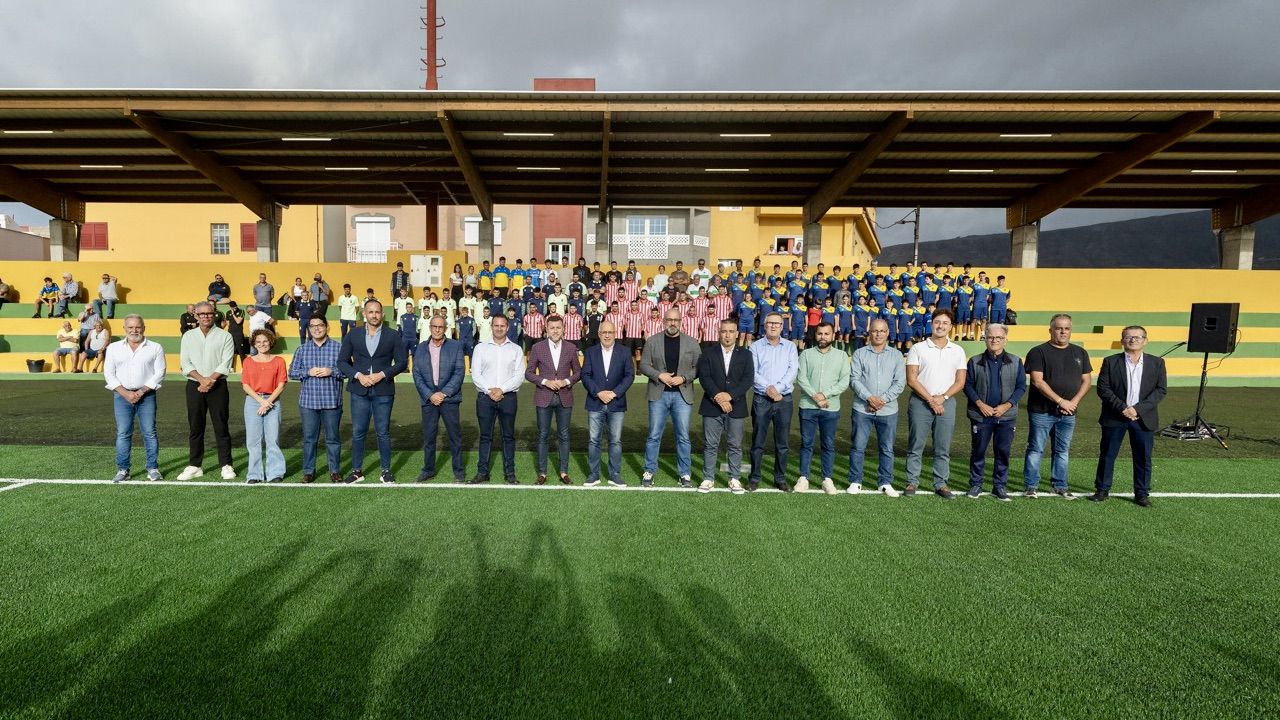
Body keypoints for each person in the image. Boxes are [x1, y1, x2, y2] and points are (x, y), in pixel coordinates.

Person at [1090, 326, 1167, 507]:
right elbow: (1103, 388)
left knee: (1143, 457)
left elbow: (1160, 390)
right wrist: (1123, 408)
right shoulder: (1110, 361)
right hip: (1115, 417)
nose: (1133, 340)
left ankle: (1141, 493)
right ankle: (1102, 489)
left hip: (1143, 419)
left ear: (1145, 341)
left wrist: (1137, 410)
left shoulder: (1157, 363)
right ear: (1122, 340)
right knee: (1108, 455)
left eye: (1137, 337)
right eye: (1128, 337)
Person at [1022, 314, 1093, 499]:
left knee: (1062, 450)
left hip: (1068, 413)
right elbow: (1038, 381)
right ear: (1050, 330)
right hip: (1041, 411)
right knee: (1036, 449)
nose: (1063, 332)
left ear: (1071, 330)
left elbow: (1086, 380)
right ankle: (1031, 486)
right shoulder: (1038, 352)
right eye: (1058, 328)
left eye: (1067, 328)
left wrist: (1073, 403)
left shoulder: (1080, 352)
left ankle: (1060, 485)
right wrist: (1061, 401)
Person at [337, 300, 408, 484]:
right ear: (364, 314)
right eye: (371, 312)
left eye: (377, 312)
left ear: (382, 315)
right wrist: (358, 375)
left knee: (383, 432)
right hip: (359, 390)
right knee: (358, 431)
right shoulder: (353, 334)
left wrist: (382, 374)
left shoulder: (393, 335)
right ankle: (357, 471)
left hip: (383, 391)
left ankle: (385, 470)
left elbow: (402, 363)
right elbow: (342, 362)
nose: (374, 315)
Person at [903, 309, 967, 499]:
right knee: (916, 444)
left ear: (951, 326)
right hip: (921, 403)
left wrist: (943, 398)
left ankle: (941, 483)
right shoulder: (918, 348)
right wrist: (931, 400)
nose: (940, 326)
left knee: (942, 446)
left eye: (945, 323)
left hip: (946, 403)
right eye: (937, 322)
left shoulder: (957, 350)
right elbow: (912, 379)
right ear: (932, 324)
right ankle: (912, 481)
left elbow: (960, 381)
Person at [639, 307, 702, 488]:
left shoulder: (692, 342)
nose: (672, 323)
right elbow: (643, 365)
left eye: (676, 320)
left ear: (681, 322)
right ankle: (649, 471)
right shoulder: (652, 341)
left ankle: (685, 474)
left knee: (682, 436)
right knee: (653, 435)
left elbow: (698, 368)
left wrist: (683, 377)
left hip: (682, 395)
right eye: (669, 320)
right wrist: (659, 375)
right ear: (664, 321)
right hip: (659, 394)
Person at [962, 324, 1025, 501]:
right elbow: (967, 386)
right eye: (991, 337)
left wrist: (1007, 405)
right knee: (978, 451)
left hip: (1006, 416)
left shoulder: (1015, 361)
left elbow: (1021, 387)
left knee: (1003, 451)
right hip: (981, 415)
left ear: (1005, 340)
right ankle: (976, 484)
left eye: (998, 338)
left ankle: (999, 486)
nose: (994, 340)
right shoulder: (974, 361)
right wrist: (980, 404)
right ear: (985, 338)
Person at [177, 301, 237, 481]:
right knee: (196, 426)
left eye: (209, 313)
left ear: (215, 314)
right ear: (196, 315)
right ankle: (195, 465)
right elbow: (185, 363)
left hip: (218, 386)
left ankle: (226, 465)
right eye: (202, 314)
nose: (206, 316)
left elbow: (226, 363)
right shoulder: (188, 336)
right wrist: (202, 380)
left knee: (221, 425)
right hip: (194, 385)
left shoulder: (225, 336)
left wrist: (209, 380)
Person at [104, 314, 166, 483]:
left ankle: (152, 468)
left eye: (137, 327)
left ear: (143, 328)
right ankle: (123, 470)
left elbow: (160, 372)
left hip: (147, 396)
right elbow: (109, 374)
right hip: (121, 396)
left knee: (150, 433)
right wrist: (126, 393)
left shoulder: (155, 347)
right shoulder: (114, 348)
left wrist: (141, 391)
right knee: (123, 433)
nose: (134, 330)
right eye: (130, 327)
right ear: (124, 329)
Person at [849, 318, 906, 496]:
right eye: (875, 331)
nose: (879, 334)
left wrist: (881, 400)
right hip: (862, 408)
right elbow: (854, 379)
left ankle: (885, 482)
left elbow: (899, 382)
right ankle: (855, 480)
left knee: (887, 448)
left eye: (882, 331)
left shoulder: (896, 355)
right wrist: (869, 398)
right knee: (858, 446)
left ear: (888, 333)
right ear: (870, 332)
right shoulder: (859, 353)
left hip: (888, 410)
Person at [697, 318, 754, 494]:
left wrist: (730, 396)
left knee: (735, 445)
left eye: (731, 331)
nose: (727, 335)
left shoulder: (745, 354)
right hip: (711, 406)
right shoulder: (707, 353)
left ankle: (734, 478)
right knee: (710, 444)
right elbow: (704, 377)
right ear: (718, 332)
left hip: (736, 406)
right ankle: (708, 478)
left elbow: (747, 379)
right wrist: (719, 398)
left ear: (737, 334)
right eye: (724, 331)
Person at [469, 314, 526, 484]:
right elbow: (476, 374)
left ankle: (510, 473)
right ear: (491, 326)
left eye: (502, 326)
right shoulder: (480, 348)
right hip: (485, 398)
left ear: (508, 327)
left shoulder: (516, 349)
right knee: (485, 436)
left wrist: (501, 389)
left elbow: (519, 376)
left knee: (508, 436)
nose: (499, 328)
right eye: (496, 325)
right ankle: (482, 472)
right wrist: (490, 390)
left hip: (508, 397)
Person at [795, 322, 851, 495]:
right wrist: (815, 397)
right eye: (820, 334)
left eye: (827, 334)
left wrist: (824, 395)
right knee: (806, 443)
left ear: (832, 336)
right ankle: (804, 477)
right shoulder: (806, 354)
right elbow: (801, 378)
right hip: (808, 407)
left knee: (828, 444)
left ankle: (827, 478)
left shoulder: (842, 356)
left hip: (831, 408)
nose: (823, 337)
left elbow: (844, 381)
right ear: (815, 335)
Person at [526, 314, 581, 484]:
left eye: (558, 327)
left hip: (565, 397)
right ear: (546, 329)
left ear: (563, 329)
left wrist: (565, 381)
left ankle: (564, 472)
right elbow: (528, 373)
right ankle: (542, 473)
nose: (555, 331)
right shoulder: (537, 348)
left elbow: (578, 373)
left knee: (564, 435)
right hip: (544, 396)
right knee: (543, 435)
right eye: (552, 328)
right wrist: (545, 381)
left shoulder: (571, 348)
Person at [289, 315, 344, 484]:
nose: (316, 329)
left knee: (333, 439)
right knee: (309, 439)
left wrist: (332, 371)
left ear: (327, 327)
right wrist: (307, 372)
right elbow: (291, 373)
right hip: (308, 403)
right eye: (312, 326)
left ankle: (334, 471)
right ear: (309, 329)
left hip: (331, 402)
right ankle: (308, 472)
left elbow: (347, 371)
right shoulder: (302, 349)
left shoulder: (338, 348)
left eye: (320, 325)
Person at [748, 312, 799, 493]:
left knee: (782, 443)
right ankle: (754, 477)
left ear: (782, 326)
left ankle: (780, 478)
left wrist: (777, 388)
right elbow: (752, 372)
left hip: (783, 399)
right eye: (770, 323)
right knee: (758, 441)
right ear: (764, 325)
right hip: (762, 398)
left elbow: (793, 370)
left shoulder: (790, 347)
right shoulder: (755, 347)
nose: (773, 326)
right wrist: (769, 389)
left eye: (777, 323)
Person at [412, 314, 466, 483]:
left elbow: (459, 372)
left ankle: (458, 470)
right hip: (429, 399)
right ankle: (428, 469)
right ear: (429, 328)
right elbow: (416, 373)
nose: (437, 329)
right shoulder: (420, 347)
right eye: (434, 326)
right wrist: (430, 394)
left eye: (440, 327)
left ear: (446, 329)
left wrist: (443, 394)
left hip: (449, 398)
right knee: (429, 436)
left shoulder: (455, 346)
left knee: (454, 436)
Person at [581, 320, 635, 488]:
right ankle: (593, 474)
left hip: (616, 403)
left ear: (615, 333)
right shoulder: (590, 352)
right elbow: (586, 375)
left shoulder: (625, 352)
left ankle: (614, 474)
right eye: (603, 332)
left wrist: (614, 393)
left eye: (610, 332)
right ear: (599, 334)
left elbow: (629, 376)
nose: (606, 335)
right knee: (593, 440)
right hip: (595, 402)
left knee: (615, 441)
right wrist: (598, 392)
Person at [240, 329, 288, 484]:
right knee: (253, 440)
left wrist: (268, 402)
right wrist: (261, 402)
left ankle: (275, 473)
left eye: (265, 341)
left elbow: (281, 385)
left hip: (273, 401)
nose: (262, 344)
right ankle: (254, 475)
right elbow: (245, 385)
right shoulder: (248, 361)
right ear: (254, 343)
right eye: (258, 342)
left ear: (271, 342)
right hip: (253, 401)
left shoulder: (279, 361)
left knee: (272, 438)